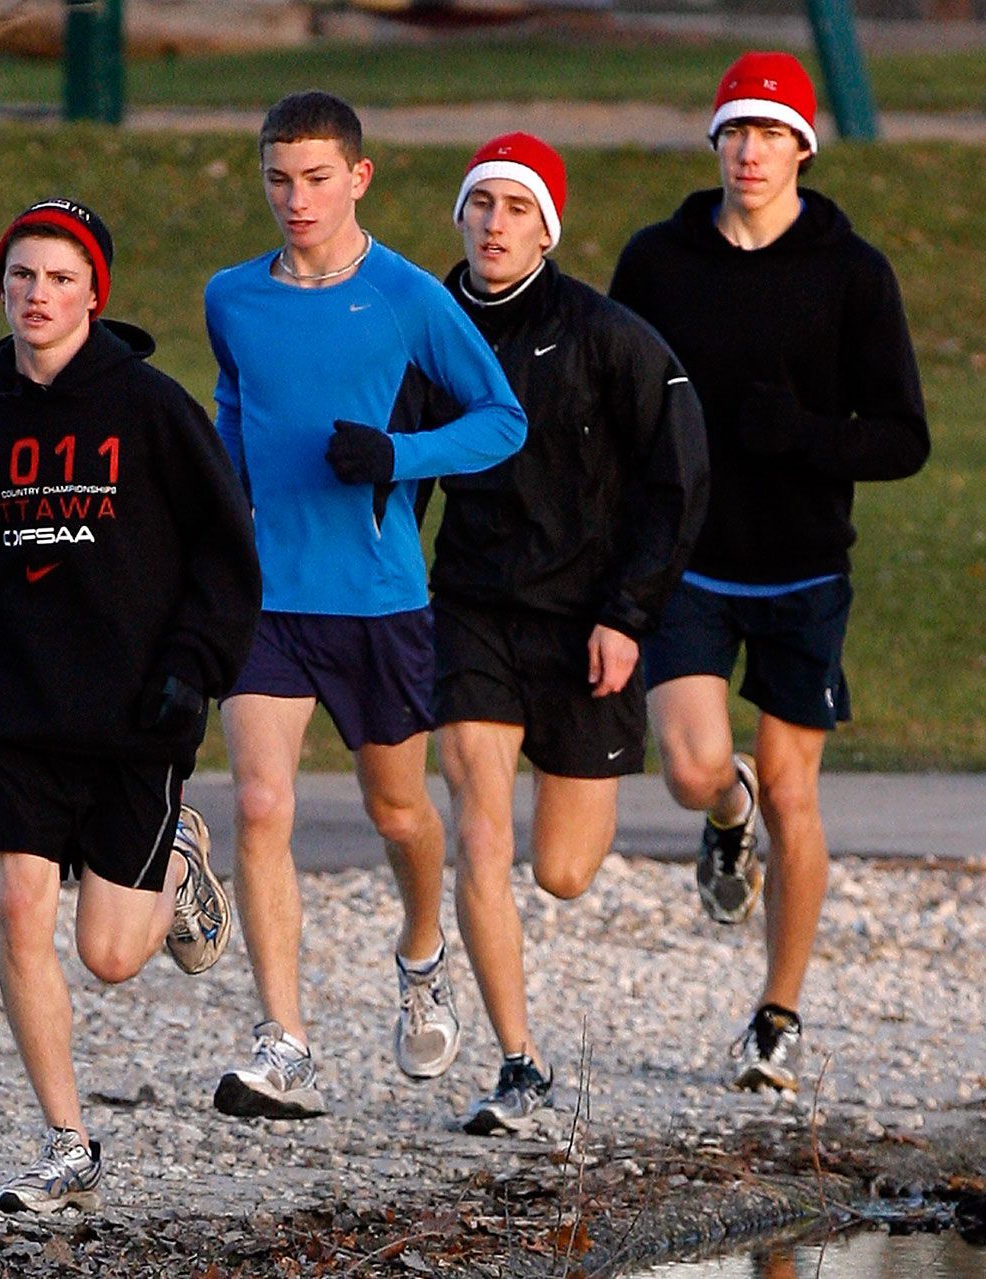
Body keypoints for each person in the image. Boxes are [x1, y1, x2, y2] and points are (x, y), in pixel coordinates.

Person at [0, 198, 261, 1211]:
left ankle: (181, 853)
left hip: (136, 712)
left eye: (59, 278)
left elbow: (226, 549)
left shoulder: (152, 407)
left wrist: (195, 666)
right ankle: (67, 1142)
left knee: (111, 955)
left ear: (93, 295)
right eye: (22, 275)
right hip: (17, 706)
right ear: (2, 287)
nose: (37, 295)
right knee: (21, 903)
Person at [203, 91, 528, 1119]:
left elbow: (502, 419)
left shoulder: (404, 297)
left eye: (313, 179)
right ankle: (283, 1039)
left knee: (398, 811)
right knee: (260, 803)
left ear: (358, 178)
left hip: (379, 598)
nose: (293, 200)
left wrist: (399, 454)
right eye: (276, 179)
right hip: (267, 594)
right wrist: (225, 492)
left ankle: (422, 951)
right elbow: (231, 400)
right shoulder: (230, 297)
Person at [609, 53, 929, 1091]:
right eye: (733, 131)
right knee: (695, 770)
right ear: (715, 144)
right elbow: (613, 401)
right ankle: (721, 822)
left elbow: (903, 439)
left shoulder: (853, 271)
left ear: (802, 148)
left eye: (770, 132)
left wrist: (803, 437)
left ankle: (775, 1017)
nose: (749, 151)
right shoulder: (657, 261)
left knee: (795, 790)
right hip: (692, 562)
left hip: (800, 569)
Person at [428, 133, 708, 1133]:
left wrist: (628, 616)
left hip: (590, 623)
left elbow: (678, 480)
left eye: (515, 208)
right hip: (470, 611)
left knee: (562, 871)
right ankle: (519, 1063)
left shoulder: (608, 335)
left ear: (547, 226)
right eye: (480, 205)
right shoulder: (431, 323)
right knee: (478, 830)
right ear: (459, 217)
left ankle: (732, 794)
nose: (494, 224)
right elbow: (397, 459)